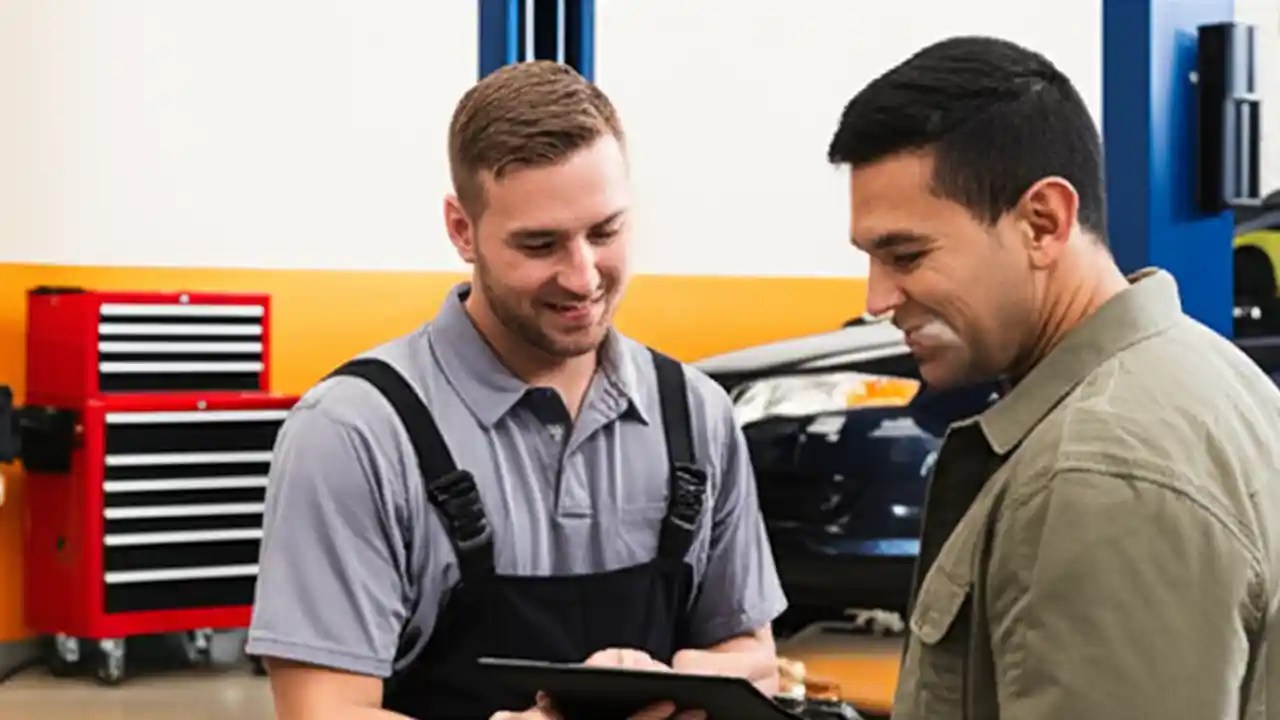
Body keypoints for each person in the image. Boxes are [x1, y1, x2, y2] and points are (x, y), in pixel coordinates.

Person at [246, 60, 788, 720]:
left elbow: (747, 648)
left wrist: (699, 679)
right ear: (460, 229)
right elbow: (320, 710)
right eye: (540, 244)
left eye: (606, 232)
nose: (583, 275)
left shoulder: (697, 416)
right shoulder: (354, 435)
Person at [825, 36, 1280, 719]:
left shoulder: (1098, 471)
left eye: (907, 254)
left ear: (1042, 222)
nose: (877, 299)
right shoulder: (1209, 377)